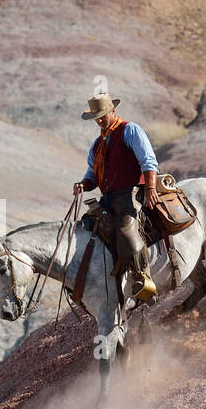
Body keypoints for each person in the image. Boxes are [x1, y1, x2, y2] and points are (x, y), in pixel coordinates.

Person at [72, 94, 161, 302]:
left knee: (125, 231)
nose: (100, 120)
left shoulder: (130, 130)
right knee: (86, 228)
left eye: (103, 115)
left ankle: (143, 279)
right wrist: (83, 185)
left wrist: (150, 188)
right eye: (97, 117)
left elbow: (148, 160)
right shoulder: (97, 145)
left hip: (130, 193)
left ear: (113, 111)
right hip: (108, 197)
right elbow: (92, 176)